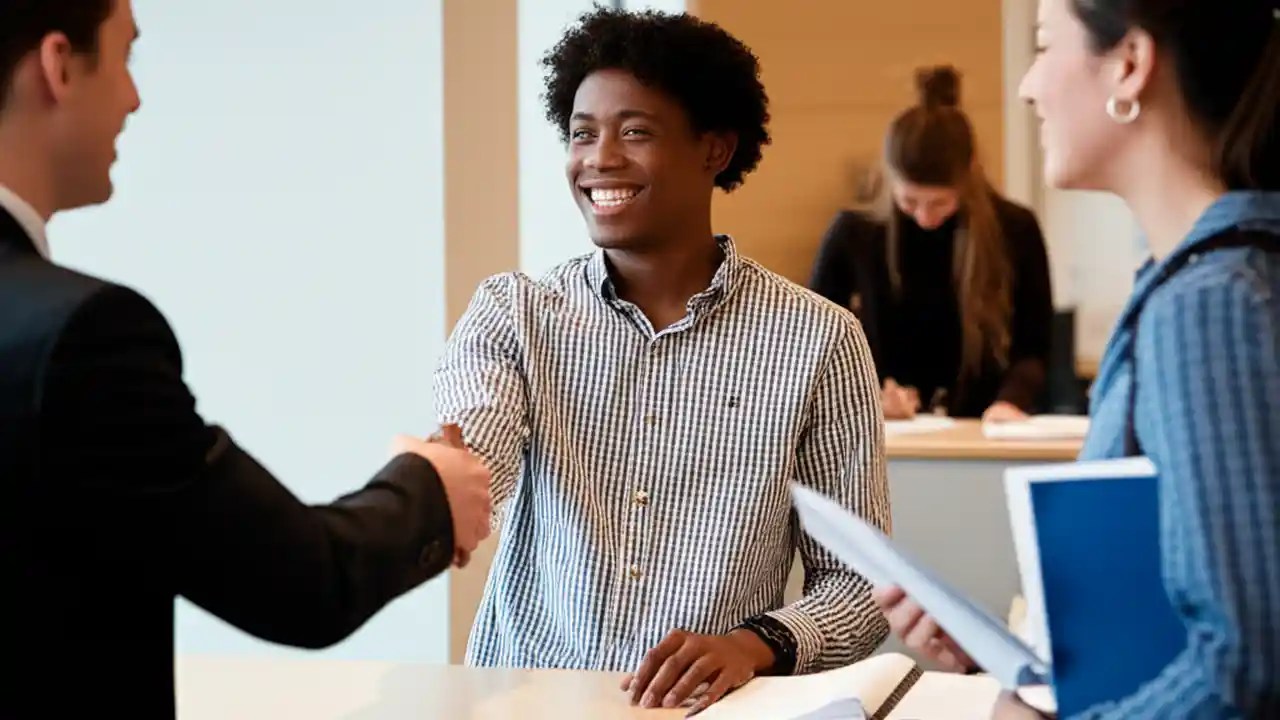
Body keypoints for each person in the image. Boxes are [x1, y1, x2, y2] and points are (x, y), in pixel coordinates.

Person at [0, 2, 493, 718]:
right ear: (58, 65)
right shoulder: (82, 335)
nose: (135, 99)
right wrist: (432, 489)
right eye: (126, 58)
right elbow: (303, 582)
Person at [435, 7, 889, 714]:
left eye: (635, 131)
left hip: (706, 711)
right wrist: (442, 480)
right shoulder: (514, 313)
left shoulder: (819, 340)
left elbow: (860, 589)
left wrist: (752, 644)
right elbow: (476, 443)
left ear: (714, 149)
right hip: (524, 703)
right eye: (582, 133)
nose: (599, 158)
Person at [875, 0, 1280, 717]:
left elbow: (1248, 666)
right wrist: (1021, 663)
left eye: (1043, 45)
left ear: (1129, 65)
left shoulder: (1211, 301)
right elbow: (1180, 622)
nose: (1028, 85)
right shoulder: (1200, 282)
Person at [809, 66, 1053, 422]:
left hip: (983, 425)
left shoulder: (1015, 228)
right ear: (891, 178)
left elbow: (1034, 346)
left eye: (940, 204)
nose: (924, 218)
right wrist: (864, 394)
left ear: (968, 176)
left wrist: (1011, 402)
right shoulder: (854, 233)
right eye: (909, 202)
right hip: (882, 433)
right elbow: (814, 342)